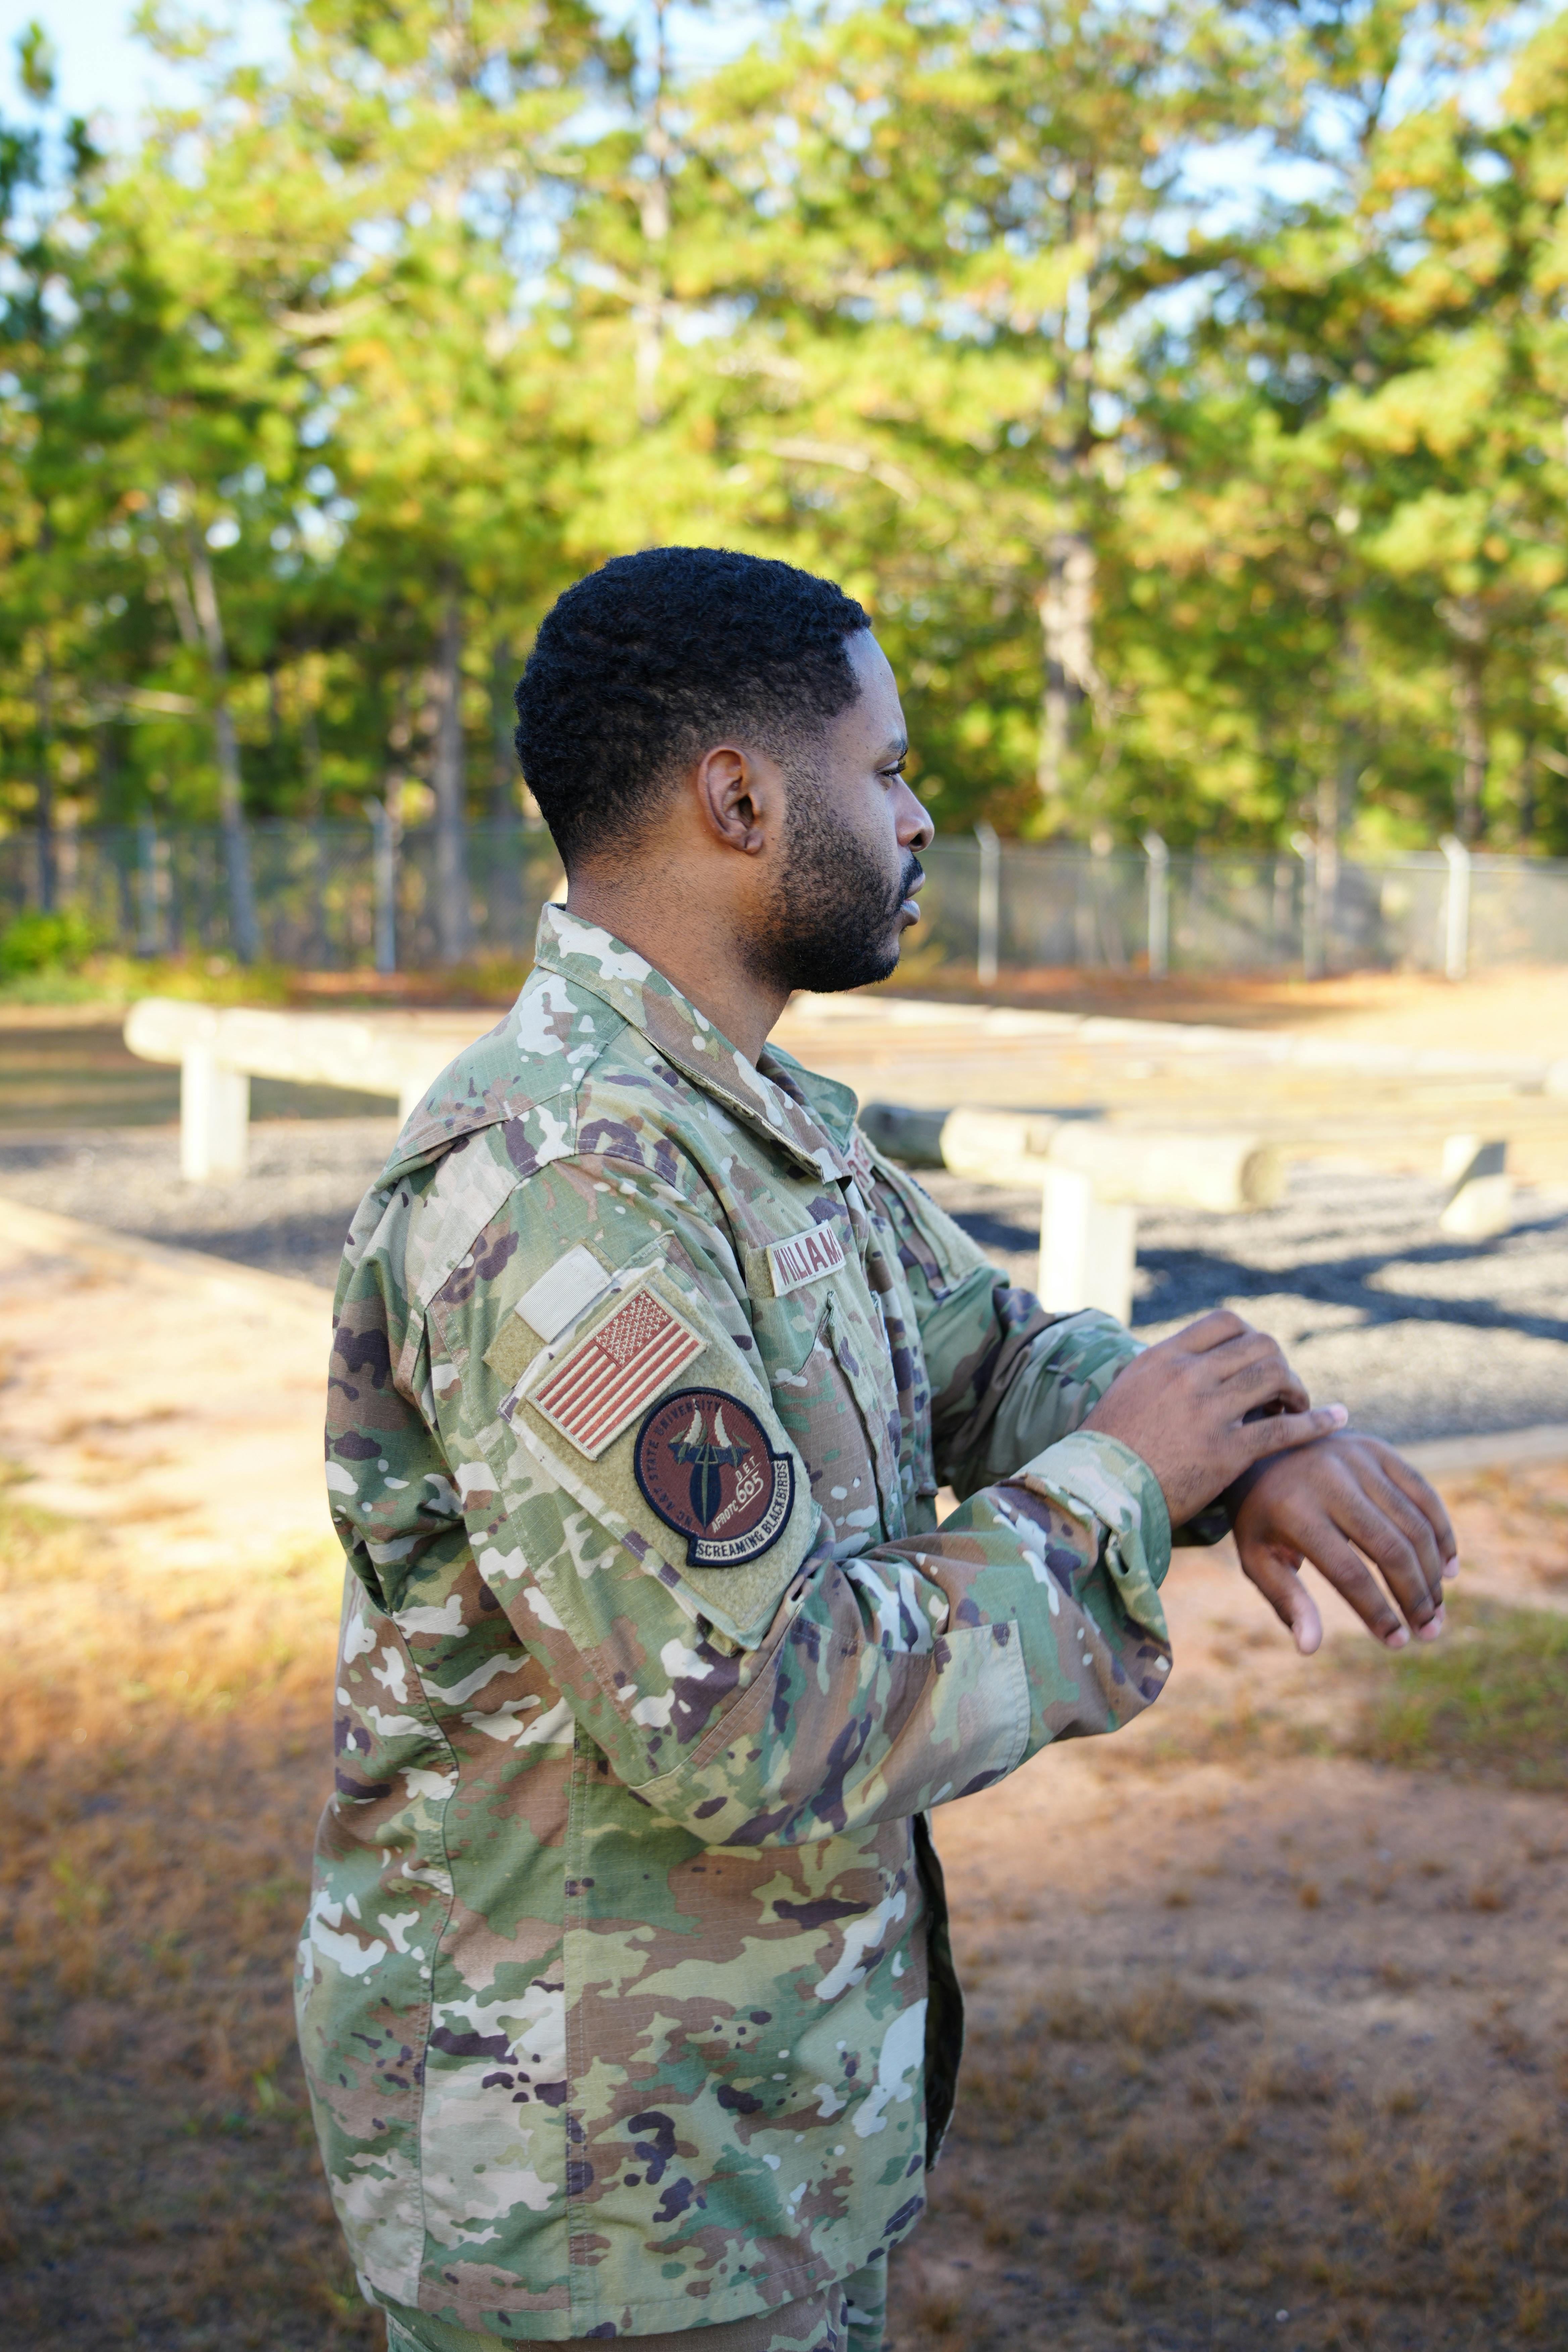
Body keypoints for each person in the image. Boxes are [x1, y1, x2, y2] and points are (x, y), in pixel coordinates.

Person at [297, 548, 1457, 2352]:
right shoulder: (559, 1196)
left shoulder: (745, 1126)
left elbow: (984, 1358)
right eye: (893, 769)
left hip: (748, 2133)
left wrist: (1245, 1452)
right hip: (593, 2200)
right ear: (742, 798)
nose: (921, 818)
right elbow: (760, 1716)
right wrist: (1125, 1493)